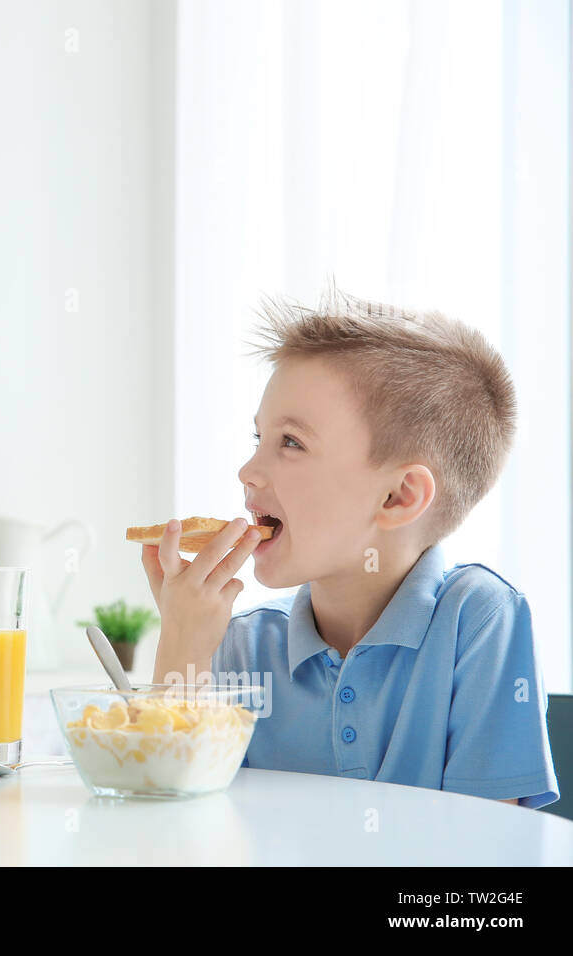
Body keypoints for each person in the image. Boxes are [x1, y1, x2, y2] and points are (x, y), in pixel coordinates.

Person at [141, 290, 559, 808]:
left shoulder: (478, 622)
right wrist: (182, 647)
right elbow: (169, 829)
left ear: (397, 496)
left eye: (290, 442)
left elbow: (484, 864)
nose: (247, 472)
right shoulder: (240, 647)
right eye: (257, 438)